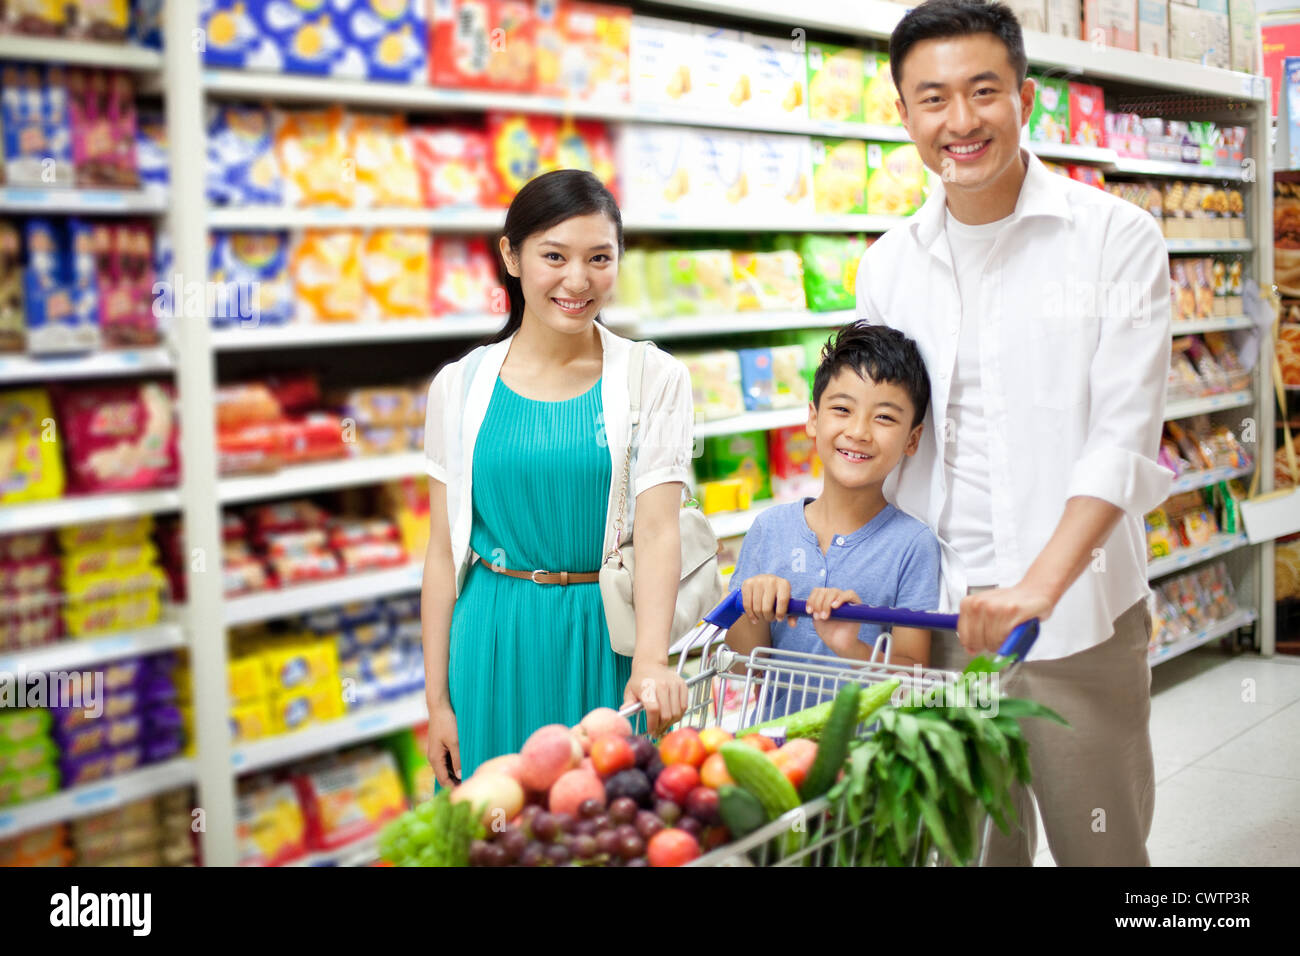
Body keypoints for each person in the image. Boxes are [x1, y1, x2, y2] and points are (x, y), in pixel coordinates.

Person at [857, 0, 1173, 865]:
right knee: (964, 857)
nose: (960, 122)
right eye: (933, 98)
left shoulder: (1116, 240)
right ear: (904, 112)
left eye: (983, 91)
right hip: (937, 619)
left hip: (1076, 621)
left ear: (1023, 97)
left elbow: (1123, 439)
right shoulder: (887, 265)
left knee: (1101, 854)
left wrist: (1038, 587)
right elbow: (878, 439)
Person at [421, 169, 694, 787]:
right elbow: (441, 553)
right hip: (490, 640)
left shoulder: (655, 379)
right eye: (554, 256)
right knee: (492, 835)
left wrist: (651, 659)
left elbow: (657, 533)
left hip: (605, 640)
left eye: (600, 257)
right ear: (511, 257)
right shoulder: (458, 387)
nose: (578, 280)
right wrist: (437, 701)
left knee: (601, 826)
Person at [725, 324, 942, 690]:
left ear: (913, 438)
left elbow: (914, 679)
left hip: (871, 746)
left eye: (885, 417)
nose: (859, 431)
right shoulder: (769, 529)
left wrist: (851, 646)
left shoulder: (913, 545)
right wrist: (753, 609)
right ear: (813, 418)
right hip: (778, 743)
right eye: (842, 409)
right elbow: (741, 668)